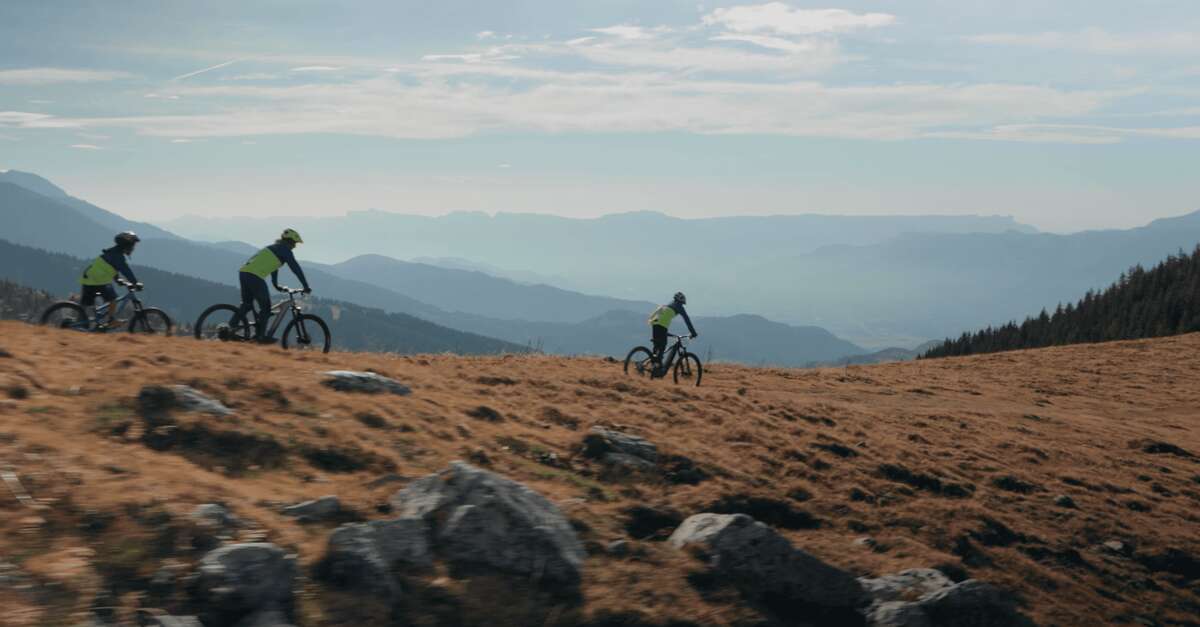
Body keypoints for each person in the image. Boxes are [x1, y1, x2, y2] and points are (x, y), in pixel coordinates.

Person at [238, 229, 311, 343]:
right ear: (290, 241)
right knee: (266, 309)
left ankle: (229, 328)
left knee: (247, 305)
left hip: (244, 272)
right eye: (294, 243)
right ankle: (260, 337)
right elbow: (295, 268)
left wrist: (275, 284)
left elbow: (273, 266)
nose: (295, 246)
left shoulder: (275, 247)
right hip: (255, 276)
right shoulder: (285, 250)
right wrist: (306, 286)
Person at [79, 231, 143, 329]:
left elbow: (110, 268)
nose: (133, 248)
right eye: (132, 245)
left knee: (86, 305)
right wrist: (135, 282)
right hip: (97, 280)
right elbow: (125, 270)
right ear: (126, 245)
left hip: (89, 278)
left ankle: (78, 324)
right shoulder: (118, 256)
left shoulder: (112, 253)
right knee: (113, 299)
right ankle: (111, 321)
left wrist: (118, 280)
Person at [648, 291, 698, 374]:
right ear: (680, 302)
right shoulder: (679, 307)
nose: (682, 305)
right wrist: (693, 333)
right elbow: (687, 320)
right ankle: (658, 370)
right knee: (663, 345)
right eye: (682, 303)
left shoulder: (669, 304)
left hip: (654, 322)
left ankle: (654, 366)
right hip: (662, 324)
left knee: (657, 346)